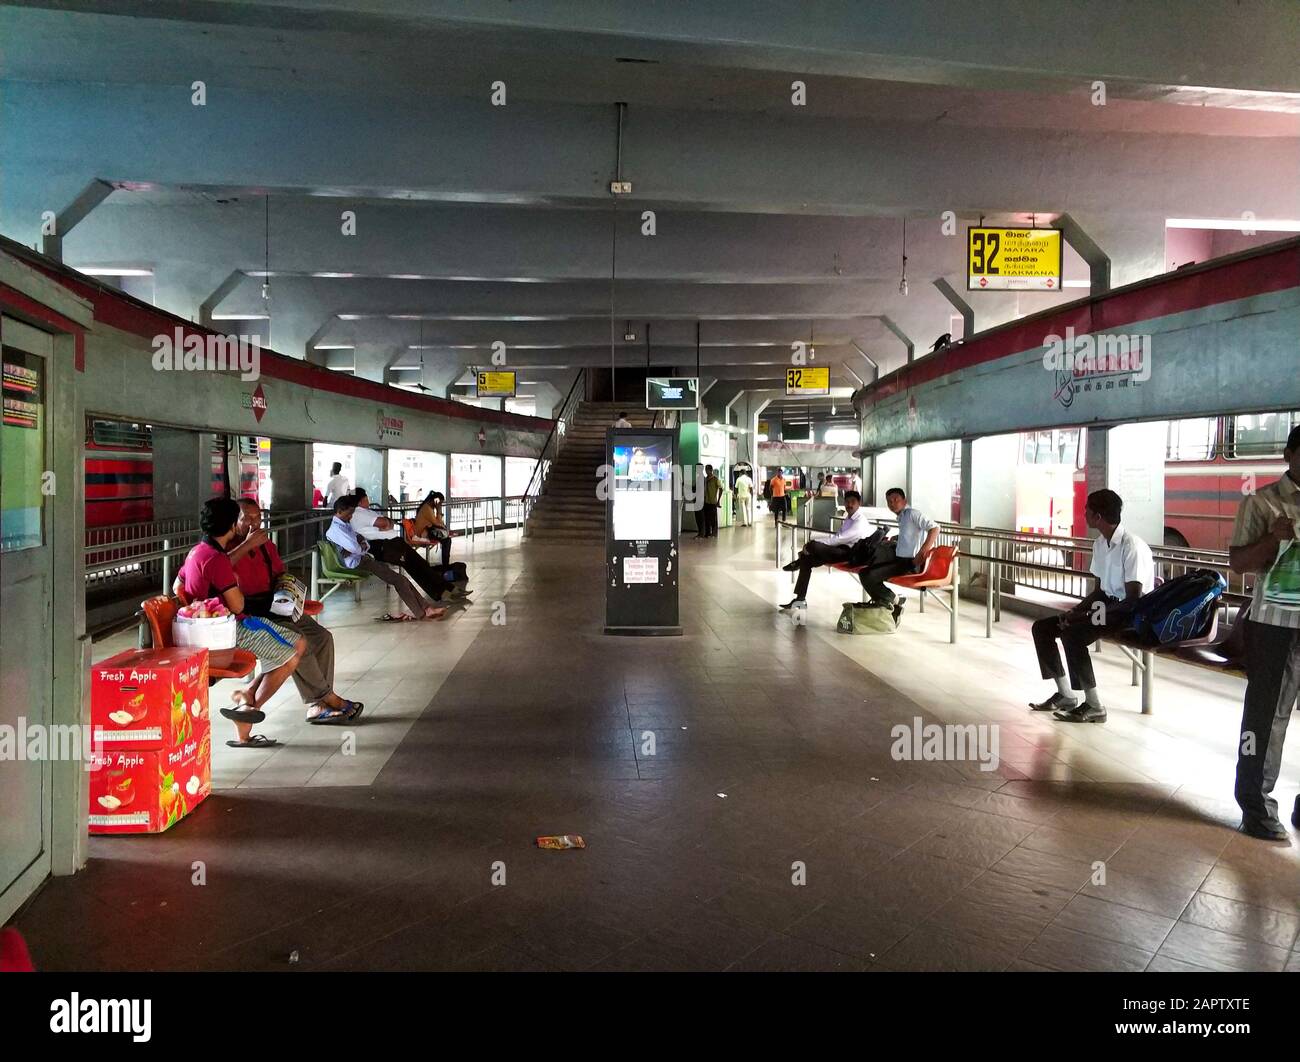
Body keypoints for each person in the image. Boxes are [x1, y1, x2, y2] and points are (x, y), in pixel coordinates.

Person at [175, 497, 307, 749]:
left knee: (294, 644)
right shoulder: (218, 559)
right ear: (231, 525)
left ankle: (248, 701)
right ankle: (249, 711)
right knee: (294, 649)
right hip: (227, 630)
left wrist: (197, 601)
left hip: (204, 628)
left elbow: (177, 586)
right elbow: (237, 606)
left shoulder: (197, 552)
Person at [1228, 424, 1300, 840]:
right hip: (1274, 625)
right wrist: (1273, 540)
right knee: (1266, 717)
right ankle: (1255, 805)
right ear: (1290, 454)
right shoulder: (1261, 503)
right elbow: (1238, 562)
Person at [1028, 489, 1154, 725]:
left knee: (1073, 635)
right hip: (1106, 604)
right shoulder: (1100, 544)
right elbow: (1098, 590)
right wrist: (1076, 612)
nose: (1083, 512)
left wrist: (1085, 616)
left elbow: (1132, 600)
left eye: (1087, 509)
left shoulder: (1131, 547)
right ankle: (1066, 694)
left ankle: (1095, 705)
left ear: (1098, 517)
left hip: (1128, 612)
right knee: (1043, 628)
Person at [231, 499, 361, 725]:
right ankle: (324, 699)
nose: (254, 523)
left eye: (257, 517)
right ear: (235, 521)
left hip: (277, 605)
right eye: (247, 518)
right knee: (300, 643)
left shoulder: (266, 544)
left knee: (322, 637)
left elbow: (280, 571)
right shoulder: (230, 548)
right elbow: (222, 569)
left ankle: (319, 703)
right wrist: (247, 546)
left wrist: (288, 592)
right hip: (254, 613)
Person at [327, 495, 446, 621]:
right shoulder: (336, 530)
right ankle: (422, 611)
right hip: (358, 563)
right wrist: (359, 545)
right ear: (340, 511)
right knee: (399, 580)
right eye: (349, 513)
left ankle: (424, 609)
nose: (351, 516)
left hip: (362, 558)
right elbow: (356, 547)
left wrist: (359, 545)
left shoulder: (344, 525)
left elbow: (361, 543)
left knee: (401, 579)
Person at [352, 488, 469, 601]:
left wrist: (387, 523)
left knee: (421, 565)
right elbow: (385, 523)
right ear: (361, 500)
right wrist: (386, 523)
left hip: (393, 543)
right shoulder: (358, 514)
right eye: (366, 498)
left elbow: (389, 523)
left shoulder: (366, 512)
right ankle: (442, 593)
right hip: (386, 546)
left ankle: (449, 589)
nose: (368, 500)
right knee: (416, 568)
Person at [779, 490, 874, 609]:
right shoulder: (849, 518)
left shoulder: (859, 521)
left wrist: (811, 544)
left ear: (859, 503)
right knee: (806, 560)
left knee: (813, 546)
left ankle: (797, 563)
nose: (849, 505)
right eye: (847, 502)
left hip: (849, 554)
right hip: (840, 549)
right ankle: (800, 599)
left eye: (853, 502)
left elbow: (839, 539)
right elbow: (836, 538)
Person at [861, 488, 941, 623]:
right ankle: (892, 602)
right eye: (889, 501)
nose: (892, 503)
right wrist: (896, 539)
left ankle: (892, 601)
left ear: (905, 501)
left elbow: (935, 528)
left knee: (868, 575)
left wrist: (923, 551)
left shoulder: (912, 513)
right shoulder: (903, 517)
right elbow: (910, 535)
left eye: (896, 500)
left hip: (911, 564)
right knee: (865, 571)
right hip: (901, 561)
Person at [412, 490, 453, 567]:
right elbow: (438, 524)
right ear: (436, 501)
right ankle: (446, 565)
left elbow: (439, 524)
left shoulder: (429, 508)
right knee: (447, 540)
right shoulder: (427, 509)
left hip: (427, 531)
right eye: (440, 503)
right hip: (422, 534)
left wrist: (438, 513)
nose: (440, 505)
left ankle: (446, 564)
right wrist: (439, 511)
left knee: (446, 539)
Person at [698, 464, 723, 538]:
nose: (706, 471)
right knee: (706, 518)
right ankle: (708, 533)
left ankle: (714, 533)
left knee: (713, 519)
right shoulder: (705, 479)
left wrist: (718, 500)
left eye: (708, 470)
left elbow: (721, 488)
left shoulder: (715, 479)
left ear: (711, 470)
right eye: (706, 470)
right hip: (706, 501)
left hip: (713, 502)